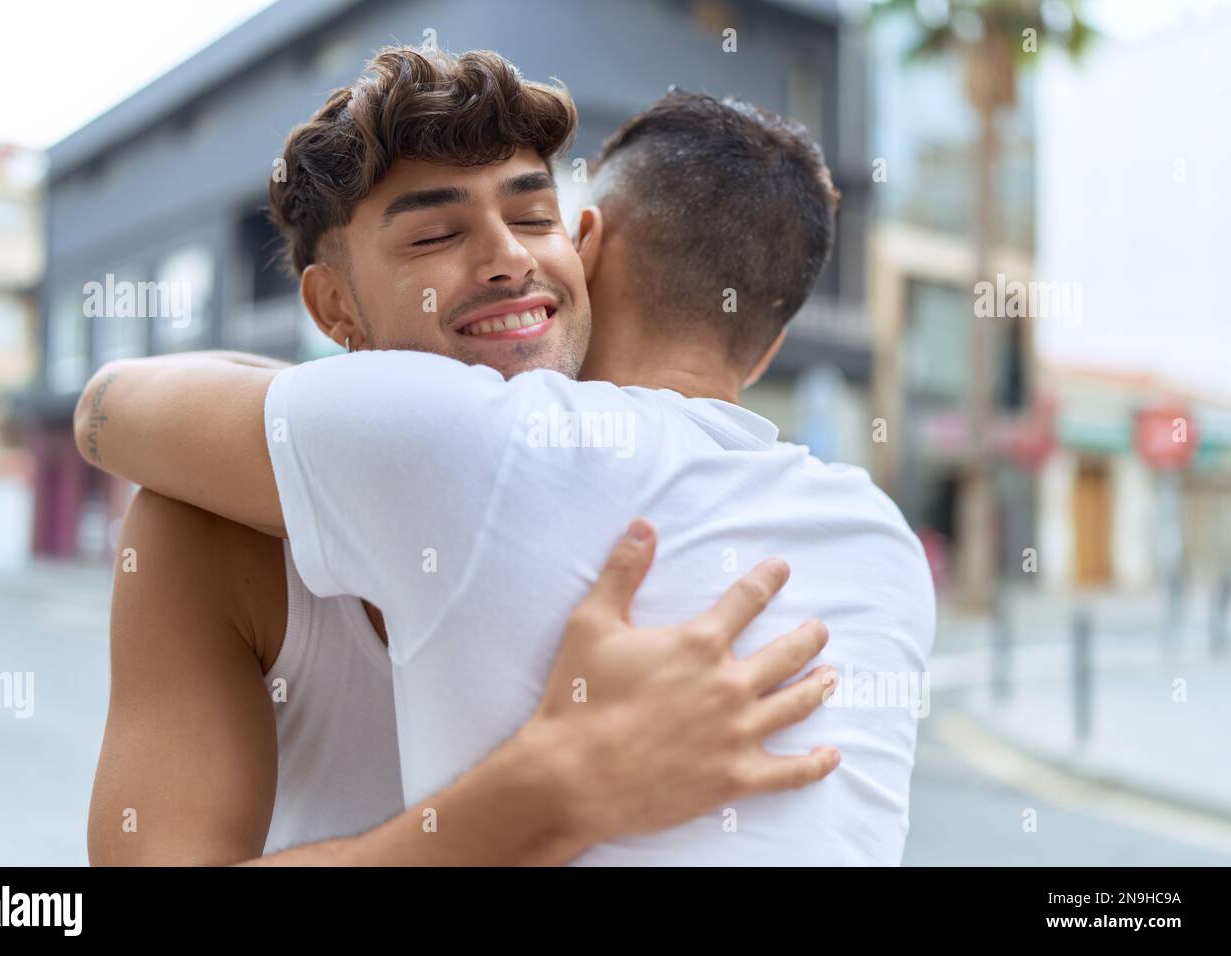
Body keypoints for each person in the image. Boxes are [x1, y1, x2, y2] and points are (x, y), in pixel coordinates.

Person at [81, 47, 842, 866]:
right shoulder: (208, 531)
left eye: (533, 218)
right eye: (436, 234)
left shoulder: (708, 504)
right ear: (335, 307)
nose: (510, 258)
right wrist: (540, 795)